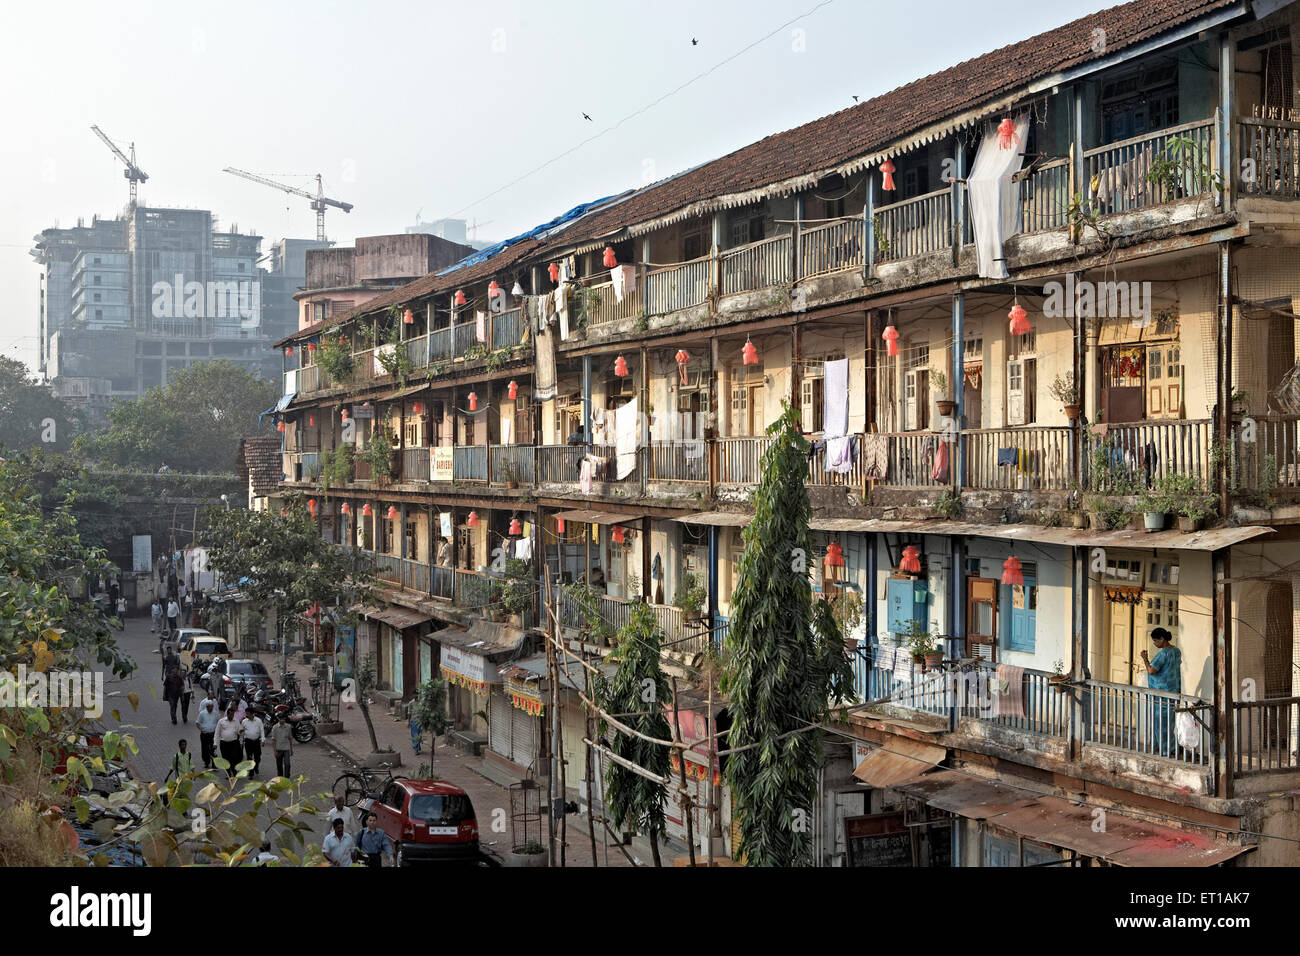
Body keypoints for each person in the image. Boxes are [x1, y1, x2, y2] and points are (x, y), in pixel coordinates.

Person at [1140, 627, 1182, 756]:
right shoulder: (1176, 651)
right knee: (1169, 722)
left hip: (1161, 693)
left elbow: (1152, 670)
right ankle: (1168, 746)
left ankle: (1166, 749)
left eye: (1155, 640)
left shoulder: (1164, 653)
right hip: (1173, 691)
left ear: (1162, 639)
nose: (1154, 643)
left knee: (1160, 723)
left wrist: (1145, 658)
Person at [216, 705, 243, 774]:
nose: (232, 716)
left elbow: (239, 731)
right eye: (230, 715)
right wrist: (215, 743)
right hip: (224, 743)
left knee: (234, 757)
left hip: (234, 743)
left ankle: (234, 771)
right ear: (227, 714)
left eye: (233, 715)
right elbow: (217, 733)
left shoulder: (236, 721)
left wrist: (240, 732)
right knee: (225, 758)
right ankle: (228, 773)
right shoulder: (221, 721)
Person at [195, 698, 219, 769]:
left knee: (213, 749)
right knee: (205, 748)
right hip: (205, 734)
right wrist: (201, 730)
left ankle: (214, 763)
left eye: (211, 706)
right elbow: (197, 723)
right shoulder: (202, 713)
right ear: (206, 707)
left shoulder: (216, 713)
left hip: (213, 734)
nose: (210, 708)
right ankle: (206, 761)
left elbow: (219, 723)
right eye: (208, 707)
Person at [241, 708, 266, 776]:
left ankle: (256, 766)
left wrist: (263, 740)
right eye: (246, 713)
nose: (246, 715)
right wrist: (241, 741)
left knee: (257, 757)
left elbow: (262, 730)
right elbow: (242, 731)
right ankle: (251, 773)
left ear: (252, 713)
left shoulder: (258, 721)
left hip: (256, 741)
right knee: (249, 757)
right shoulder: (244, 721)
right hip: (248, 741)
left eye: (247, 713)